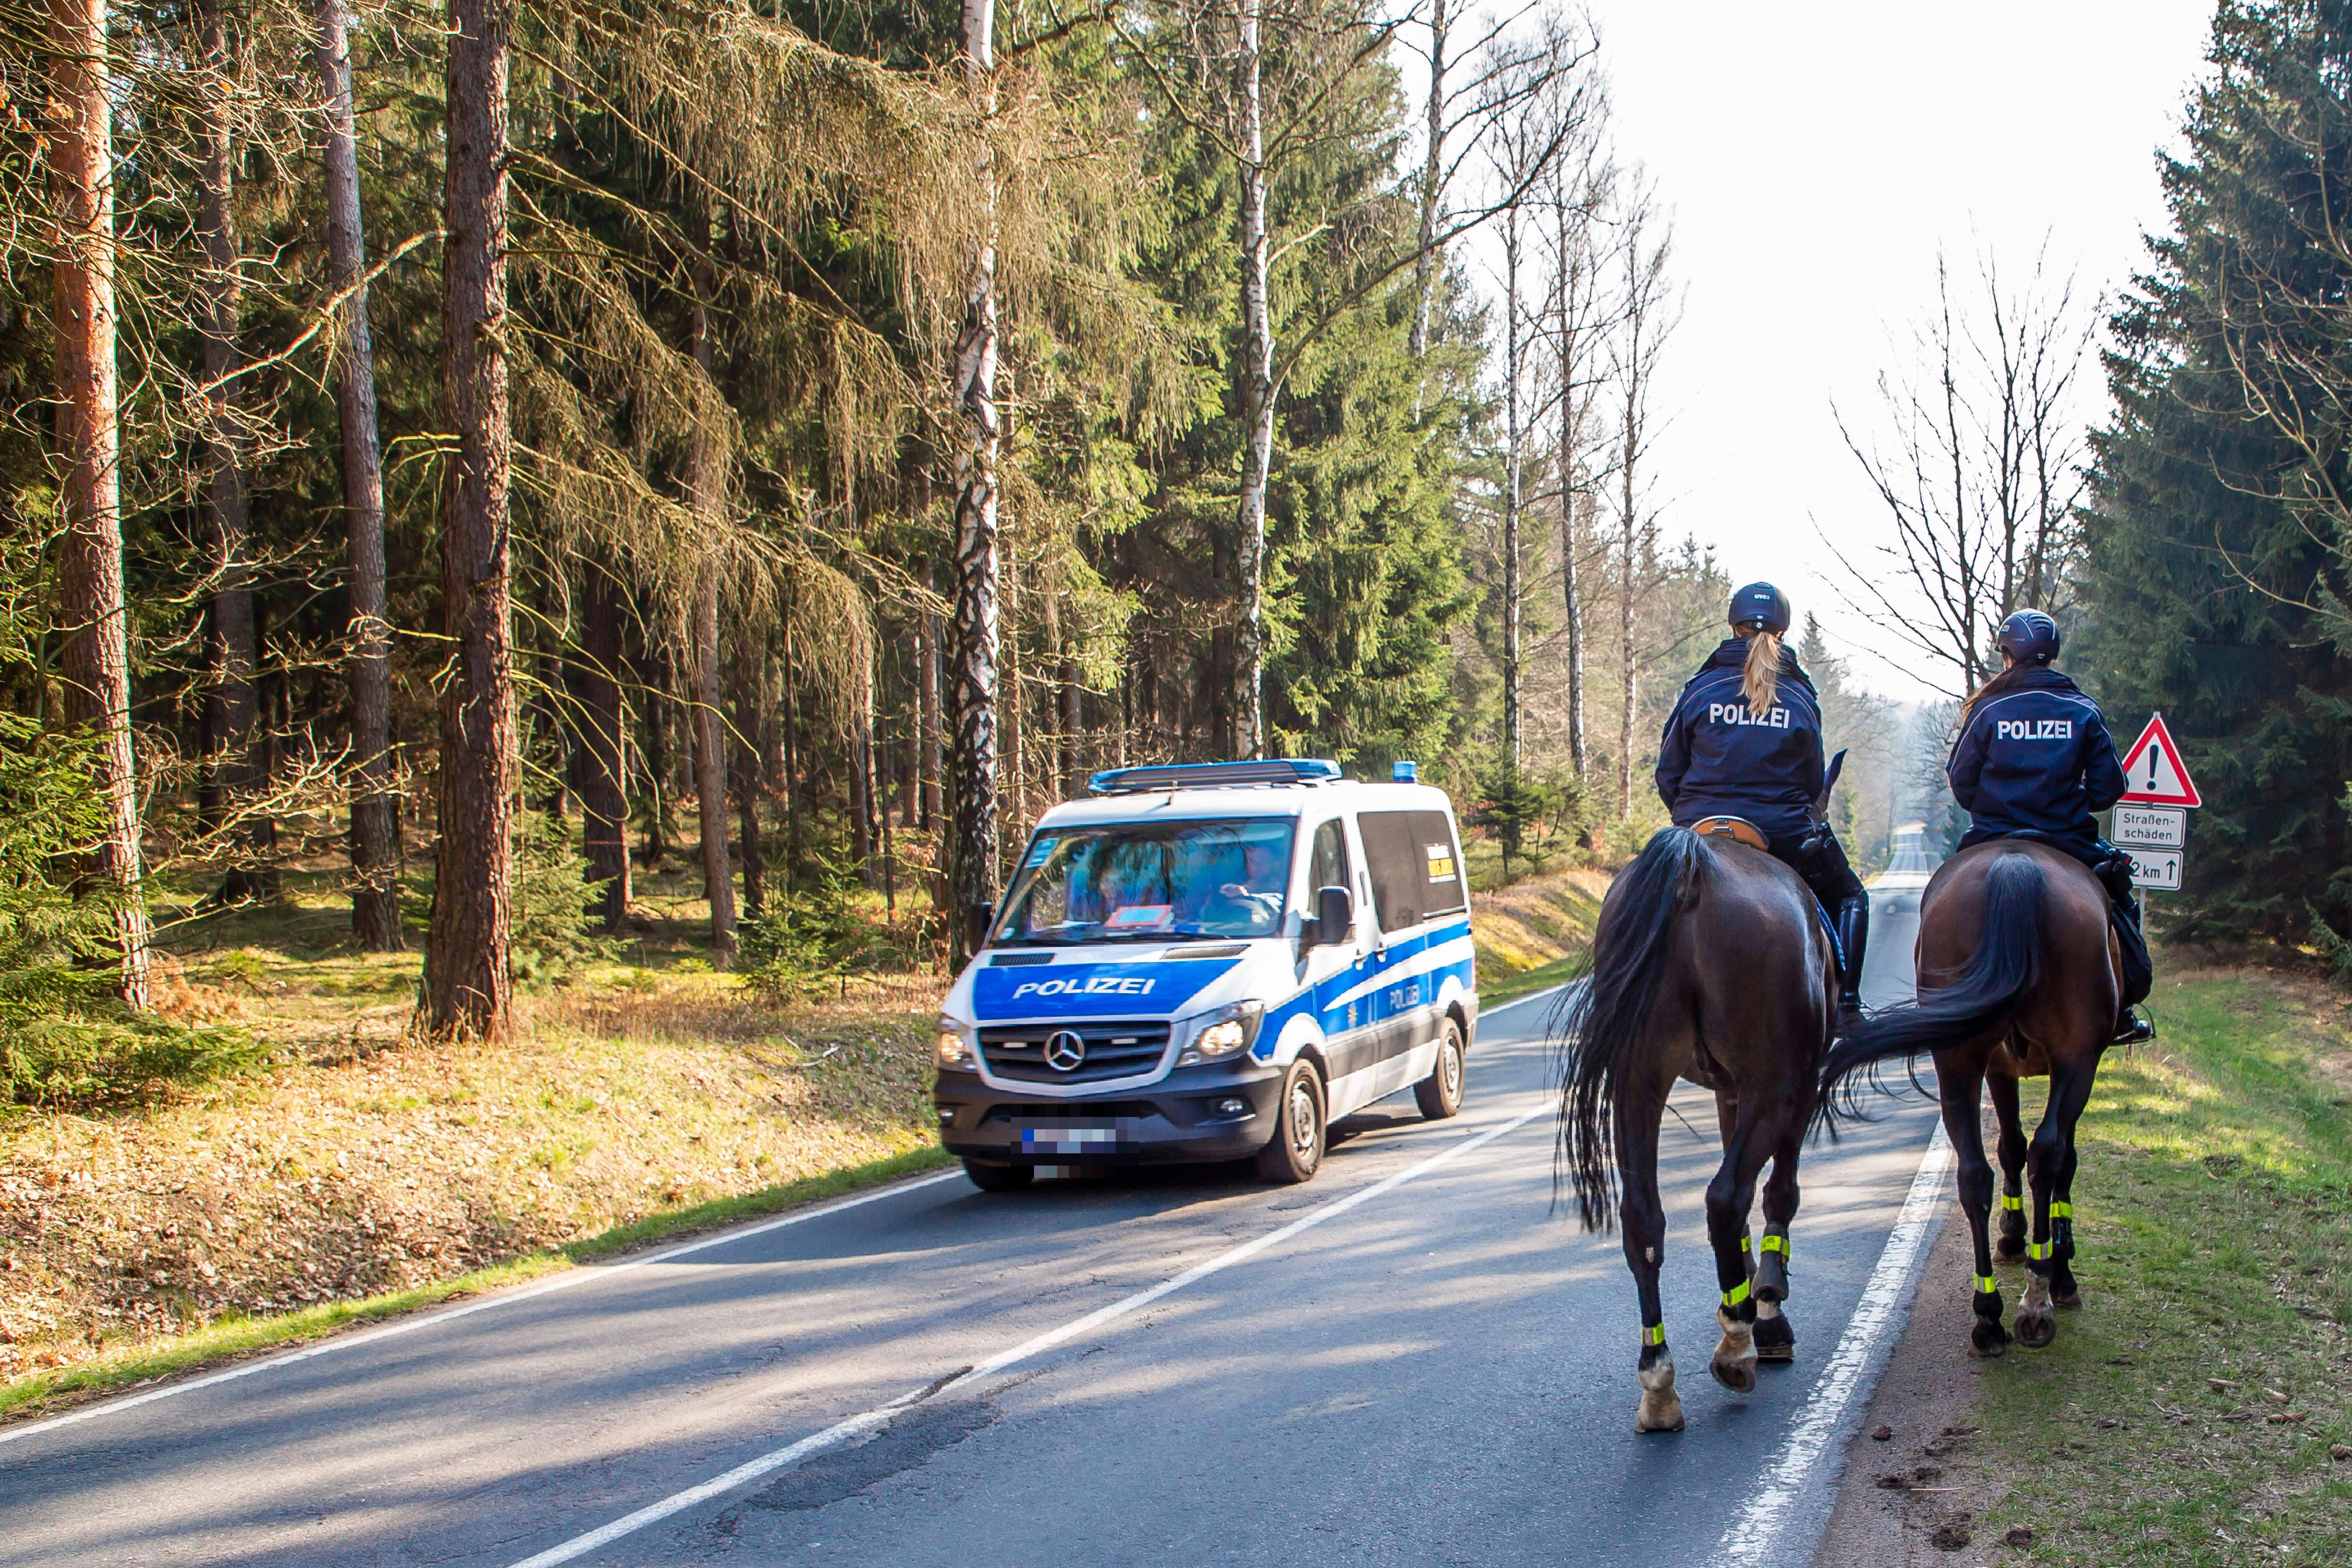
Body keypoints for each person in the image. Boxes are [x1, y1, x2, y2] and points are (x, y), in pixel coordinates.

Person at [1656, 582, 1869, 1033]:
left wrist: (1689, 818)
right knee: (1851, 895)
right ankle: (1848, 1006)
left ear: (1733, 628)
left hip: (1700, 828)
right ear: (1783, 633)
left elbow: (1668, 772)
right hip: (1781, 832)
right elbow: (1813, 782)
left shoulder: (1700, 689)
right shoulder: (1798, 696)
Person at [1945, 609, 2154, 1044]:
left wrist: (1994, 807)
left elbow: (1961, 780)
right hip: (2069, 841)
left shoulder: (1988, 709)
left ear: (2008, 656)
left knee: (1946, 898)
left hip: (1993, 836)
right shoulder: (2082, 709)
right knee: (2119, 900)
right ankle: (2125, 1009)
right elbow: (2110, 786)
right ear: (2052, 656)